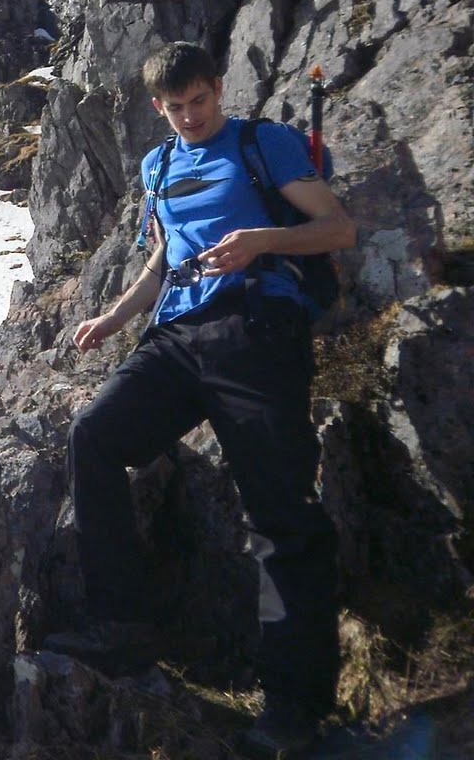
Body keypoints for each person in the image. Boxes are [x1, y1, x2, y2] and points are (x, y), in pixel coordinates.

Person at [47, 41, 356, 758]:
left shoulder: (264, 144)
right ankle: (120, 625)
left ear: (219, 90)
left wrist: (259, 241)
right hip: (176, 338)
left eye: (200, 101)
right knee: (95, 437)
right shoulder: (158, 166)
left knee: (279, 511)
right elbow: (164, 257)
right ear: (158, 107)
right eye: (175, 107)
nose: (190, 116)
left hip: (258, 328)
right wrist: (115, 318)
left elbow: (337, 227)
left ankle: (293, 706)